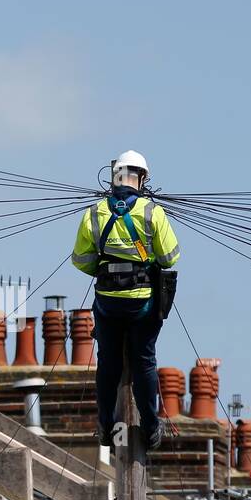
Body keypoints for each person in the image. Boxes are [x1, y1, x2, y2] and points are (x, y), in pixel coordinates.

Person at [70, 150, 180, 449]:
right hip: (143, 303)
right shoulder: (151, 212)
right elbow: (170, 257)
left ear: (113, 177)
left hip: (108, 301)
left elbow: (80, 260)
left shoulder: (93, 213)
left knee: (108, 362)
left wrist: (104, 267)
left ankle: (106, 424)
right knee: (144, 360)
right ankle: (151, 424)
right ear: (141, 179)